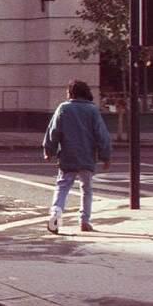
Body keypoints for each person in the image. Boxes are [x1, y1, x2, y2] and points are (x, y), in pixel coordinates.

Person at [42, 79, 111, 233]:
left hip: (68, 155)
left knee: (62, 186)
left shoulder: (63, 108)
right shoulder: (92, 110)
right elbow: (101, 134)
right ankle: (84, 222)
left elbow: (53, 131)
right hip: (87, 156)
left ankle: (55, 215)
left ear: (72, 93)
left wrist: (49, 150)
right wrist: (105, 155)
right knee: (86, 189)